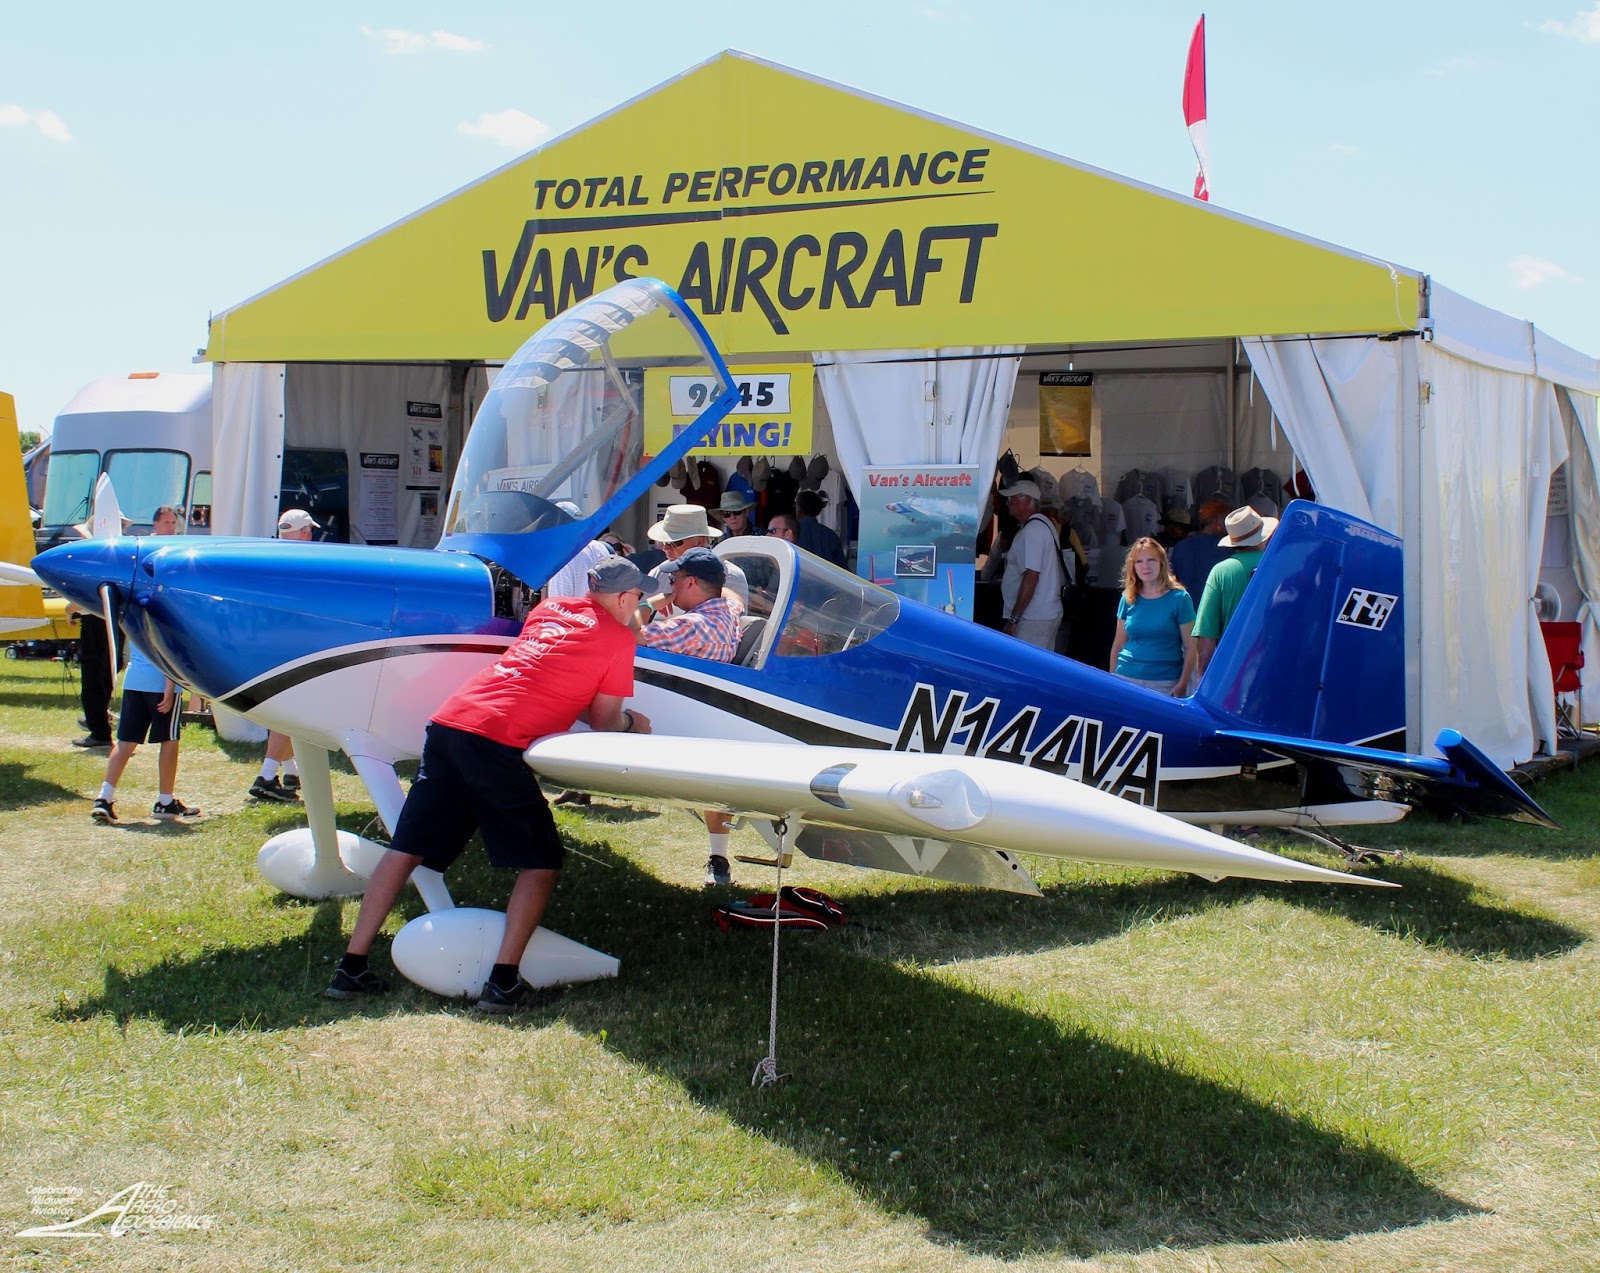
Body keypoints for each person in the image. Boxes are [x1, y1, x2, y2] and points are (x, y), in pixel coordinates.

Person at [325, 557, 653, 1011]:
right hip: (495, 740)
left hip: (449, 724)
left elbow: (548, 675)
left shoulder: (548, 610)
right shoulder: (619, 638)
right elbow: (603, 719)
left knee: (405, 849)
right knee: (541, 862)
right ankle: (503, 984)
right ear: (623, 597)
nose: (639, 606)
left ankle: (351, 967)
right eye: (638, 597)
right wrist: (634, 723)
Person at [635, 546, 742, 885]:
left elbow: (630, 636)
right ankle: (718, 858)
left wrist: (649, 605)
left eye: (675, 579)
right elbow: (735, 596)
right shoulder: (728, 608)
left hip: (694, 711)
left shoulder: (693, 626)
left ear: (693, 582)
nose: (671, 585)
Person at [90, 506, 199, 824]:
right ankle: (165, 801)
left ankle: (104, 796)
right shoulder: (161, 603)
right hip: (159, 683)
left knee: (125, 743)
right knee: (169, 741)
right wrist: (170, 684)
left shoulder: (132, 604)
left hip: (135, 680)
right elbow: (164, 647)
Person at [250, 509, 320, 802]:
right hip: (297, 645)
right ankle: (266, 776)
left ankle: (291, 771)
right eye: (310, 530)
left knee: (285, 712)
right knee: (291, 714)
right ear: (304, 532)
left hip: (271, 643)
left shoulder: (271, 558)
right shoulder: (308, 562)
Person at [1193, 505, 1279, 678]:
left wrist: (1202, 677)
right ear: (1263, 536)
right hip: (1275, 663)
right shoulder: (1280, 564)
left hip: (1232, 669)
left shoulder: (1221, 572)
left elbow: (1207, 635)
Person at [1107, 538, 1197, 696]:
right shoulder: (1128, 597)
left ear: (1162, 562)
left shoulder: (1180, 598)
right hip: (1125, 677)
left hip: (1164, 682)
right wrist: (1112, 679)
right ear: (1133, 566)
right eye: (1139, 561)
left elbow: (1191, 648)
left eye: (1151, 560)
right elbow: (1118, 643)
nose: (1145, 566)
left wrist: (1182, 685)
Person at [641, 504, 748, 616]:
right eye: (664, 542)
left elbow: (736, 627)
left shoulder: (731, 576)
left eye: (674, 542)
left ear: (699, 542)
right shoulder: (659, 573)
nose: (665, 548)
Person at [997, 478, 1064, 651]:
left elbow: (1031, 577)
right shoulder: (1044, 525)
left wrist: (1014, 620)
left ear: (1026, 499)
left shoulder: (1033, 530)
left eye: (1012, 498)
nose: (1008, 502)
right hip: (1041, 614)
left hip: (1033, 618)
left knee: (1026, 671)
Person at [1168, 498, 1230, 604]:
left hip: (1185, 611)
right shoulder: (1227, 547)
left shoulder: (1181, 546)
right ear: (1217, 522)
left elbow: (1170, 581)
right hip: (1215, 612)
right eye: (1227, 518)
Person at [794, 489, 845, 567]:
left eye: (796, 507)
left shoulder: (790, 532)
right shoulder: (831, 535)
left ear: (799, 509)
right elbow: (842, 569)